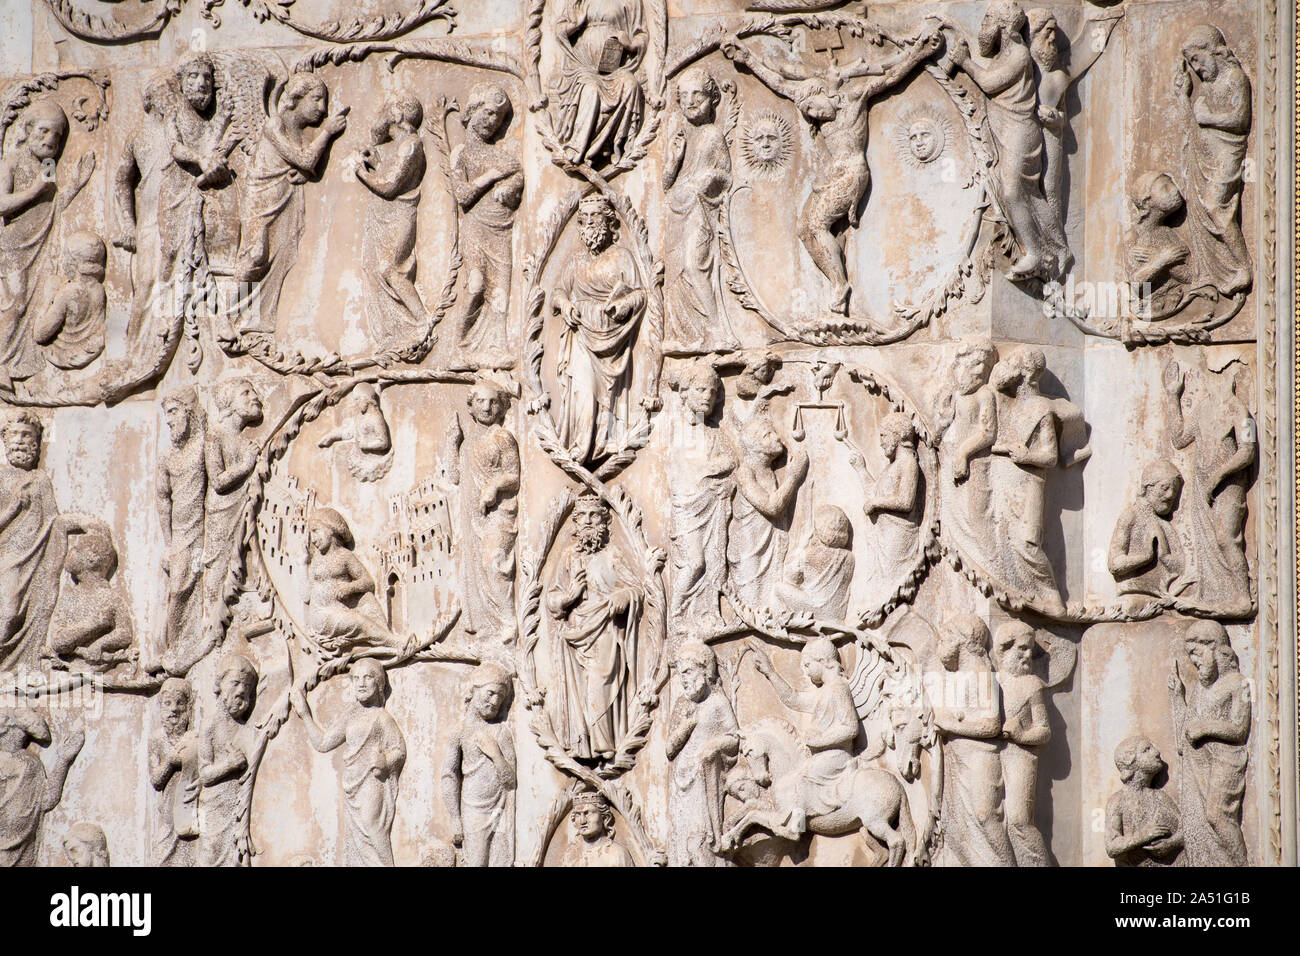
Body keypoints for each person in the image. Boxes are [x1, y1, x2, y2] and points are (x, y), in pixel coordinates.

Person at [723, 25, 944, 313]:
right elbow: (778, 82)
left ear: (823, 93)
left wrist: (919, 52)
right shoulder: (815, 107)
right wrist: (748, 59)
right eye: (808, 113)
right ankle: (834, 277)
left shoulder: (854, 99)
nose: (813, 115)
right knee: (804, 229)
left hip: (851, 173)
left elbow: (890, 76)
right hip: (829, 177)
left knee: (816, 225)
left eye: (813, 107)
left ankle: (840, 285)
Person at [944, 2, 1069, 279]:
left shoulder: (1019, 54)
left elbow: (989, 83)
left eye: (988, 20)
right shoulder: (1005, 54)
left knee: (1013, 192)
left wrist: (965, 61)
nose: (984, 27)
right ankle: (1053, 249)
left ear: (1003, 26)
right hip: (1005, 133)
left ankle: (1035, 253)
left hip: (1020, 134)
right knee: (1026, 195)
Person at [234, 73, 348, 333]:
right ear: (297, 98)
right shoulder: (275, 126)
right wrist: (327, 134)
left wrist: (305, 172)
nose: (323, 108)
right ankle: (228, 316)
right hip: (262, 199)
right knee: (255, 256)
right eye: (317, 99)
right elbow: (306, 159)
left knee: (283, 255)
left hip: (286, 197)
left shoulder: (297, 131)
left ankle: (260, 320)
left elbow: (302, 165)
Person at [0, 100, 93, 385]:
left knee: (36, 303)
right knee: (14, 304)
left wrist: (76, 183)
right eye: (43, 131)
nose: (49, 140)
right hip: (16, 246)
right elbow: (2, 204)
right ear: (28, 130)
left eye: (57, 136)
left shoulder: (48, 167)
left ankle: (21, 363)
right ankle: (2, 361)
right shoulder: (13, 161)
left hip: (42, 242)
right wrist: (34, 190)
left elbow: (53, 205)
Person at [545, 493, 644, 759]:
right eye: (583, 517)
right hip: (576, 632)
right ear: (575, 523)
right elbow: (552, 598)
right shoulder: (567, 558)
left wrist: (623, 596)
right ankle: (584, 745)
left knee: (600, 683)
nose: (588, 521)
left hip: (605, 631)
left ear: (603, 521)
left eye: (594, 515)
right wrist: (570, 596)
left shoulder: (612, 555)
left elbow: (634, 588)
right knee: (580, 689)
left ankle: (605, 742)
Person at [551, 193, 646, 466]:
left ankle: (604, 442)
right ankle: (580, 447)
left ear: (608, 223)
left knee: (607, 397)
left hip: (611, 340)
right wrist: (566, 304)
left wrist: (624, 305)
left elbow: (640, 294)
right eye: (586, 220)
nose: (591, 225)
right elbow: (557, 292)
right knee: (584, 389)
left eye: (597, 218)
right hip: (581, 333)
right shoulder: (575, 261)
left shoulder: (622, 257)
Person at [291, 658, 407, 866]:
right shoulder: (350, 716)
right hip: (352, 784)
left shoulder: (382, 717)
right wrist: (305, 714)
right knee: (356, 839)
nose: (361, 683)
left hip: (372, 781)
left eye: (368, 678)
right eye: (356, 678)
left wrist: (385, 761)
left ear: (379, 683)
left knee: (372, 828)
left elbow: (399, 750)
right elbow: (324, 743)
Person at [931, 612, 1016, 866]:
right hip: (958, 759)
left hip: (980, 759)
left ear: (962, 639)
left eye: (945, 638)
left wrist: (951, 725)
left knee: (984, 816)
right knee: (955, 823)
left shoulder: (982, 672)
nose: (940, 645)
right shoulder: (958, 677)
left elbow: (991, 725)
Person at [662, 68, 738, 351]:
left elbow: (726, 176)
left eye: (698, 95)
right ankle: (687, 335)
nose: (691, 101)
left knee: (695, 267)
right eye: (684, 96)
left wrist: (706, 181)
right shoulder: (680, 136)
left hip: (699, 209)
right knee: (677, 275)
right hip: (676, 212)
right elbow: (666, 182)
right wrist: (674, 159)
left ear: (712, 99)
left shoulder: (712, 135)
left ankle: (718, 329)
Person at [1176, 25, 1252, 295]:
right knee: (1204, 206)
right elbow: (1195, 125)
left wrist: (1207, 117)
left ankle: (1243, 267)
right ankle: (1215, 270)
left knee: (1215, 205)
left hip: (1228, 153)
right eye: (1190, 62)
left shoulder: (1234, 77)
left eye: (1197, 58)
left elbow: (1240, 119)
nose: (1196, 67)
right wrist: (1184, 96)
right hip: (1208, 157)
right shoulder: (1207, 87)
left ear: (1214, 50)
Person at [449, 84, 523, 363]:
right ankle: (460, 346)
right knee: (477, 284)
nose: (493, 122)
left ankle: (496, 347)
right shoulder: (462, 153)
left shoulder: (501, 155)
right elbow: (463, 194)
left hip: (501, 227)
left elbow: (516, 175)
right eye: (489, 113)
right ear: (473, 111)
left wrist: (510, 188)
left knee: (501, 291)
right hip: (477, 226)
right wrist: (492, 177)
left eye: (499, 118)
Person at [1168, 620, 1250, 866]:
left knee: (1216, 815)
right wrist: (1177, 698)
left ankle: (1240, 863)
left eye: (1197, 652)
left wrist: (1206, 727)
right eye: (1190, 654)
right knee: (1198, 822)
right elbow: (1183, 741)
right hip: (1197, 766)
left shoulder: (1238, 683)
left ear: (1214, 647)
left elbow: (1239, 728)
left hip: (1225, 760)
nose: (1194, 660)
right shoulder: (1198, 691)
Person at [444, 381, 519, 644]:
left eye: (493, 402)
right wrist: (452, 443)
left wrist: (495, 486)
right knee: (475, 570)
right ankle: (488, 628)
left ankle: (509, 621)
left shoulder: (502, 437)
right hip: (472, 515)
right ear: (471, 407)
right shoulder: (467, 444)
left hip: (498, 513)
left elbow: (514, 475)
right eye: (480, 402)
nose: (486, 407)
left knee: (494, 563)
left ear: (501, 407)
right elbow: (453, 476)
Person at [668, 362, 734, 631]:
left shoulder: (714, 433)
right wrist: (715, 468)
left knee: (716, 561)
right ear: (685, 392)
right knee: (695, 562)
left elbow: (732, 462)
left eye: (712, 391)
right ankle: (676, 614)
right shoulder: (678, 429)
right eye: (701, 389)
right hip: (688, 507)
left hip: (713, 506)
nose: (708, 396)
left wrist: (726, 483)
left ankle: (710, 614)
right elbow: (685, 470)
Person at [357, 96, 427, 344]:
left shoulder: (411, 144)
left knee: (392, 270)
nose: (382, 114)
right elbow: (391, 175)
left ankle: (421, 323)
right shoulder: (403, 146)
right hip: (384, 217)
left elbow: (389, 186)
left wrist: (362, 174)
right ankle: (395, 333)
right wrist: (375, 164)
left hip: (398, 217)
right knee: (378, 270)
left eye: (386, 108)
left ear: (397, 115)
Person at [0, 410, 67, 670]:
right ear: (5, 441)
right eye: (14, 434)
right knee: (6, 615)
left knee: (13, 613)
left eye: (26, 435)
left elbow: (53, 521)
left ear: (36, 443)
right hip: (6, 558)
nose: (19, 440)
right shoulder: (2, 479)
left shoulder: (40, 480)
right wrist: (13, 509)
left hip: (34, 559)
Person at [665, 640, 739, 866]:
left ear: (705, 670)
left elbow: (735, 738)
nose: (683, 679)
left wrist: (715, 745)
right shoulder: (681, 705)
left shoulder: (717, 702)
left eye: (688, 671)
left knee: (702, 841)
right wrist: (688, 724)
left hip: (705, 782)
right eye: (680, 674)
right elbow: (669, 749)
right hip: (681, 784)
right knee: (683, 842)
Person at [553, 0, 647, 167]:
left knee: (630, 85)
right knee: (591, 89)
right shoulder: (577, 2)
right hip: (583, 66)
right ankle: (578, 149)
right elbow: (559, 30)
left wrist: (631, 44)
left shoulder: (631, 2)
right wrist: (575, 25)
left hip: (615, 67)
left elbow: (642, 34)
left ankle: (612, 144)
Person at [304, 507, 409, 655]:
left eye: (315, 531)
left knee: (368, 599)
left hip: (340, 609)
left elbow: (368, 582)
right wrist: (302, 564)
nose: (313, 539)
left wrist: (349, 588)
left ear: (331, 529)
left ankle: (385, 637)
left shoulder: (345, 556)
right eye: (310, 533)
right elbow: (306, 596)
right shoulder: (316, 560)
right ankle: (394, 642)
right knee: (359, 622)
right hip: (322, 616)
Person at [728, 412, 807, 608]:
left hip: (769, 543)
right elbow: (772, 506)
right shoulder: (745, 473)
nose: (777, 437)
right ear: (754, 446)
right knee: (752, 600)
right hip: (749, 548)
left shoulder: (768, 471)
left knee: (767, 600)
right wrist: (794, 477)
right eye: (768, 435)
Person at [441, 662, 516, 867]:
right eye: (490, 693)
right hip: (473, 809)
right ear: (474, 690)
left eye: (500, 698)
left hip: (500, 808)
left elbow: (510, 782)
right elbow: (449, 775)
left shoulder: (502, 733)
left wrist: (495, 754)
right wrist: (455, 818)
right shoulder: (459, 732)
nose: (494, 702)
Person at [994, 621, 1052, 866]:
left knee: (1019, 819)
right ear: (1003, 649)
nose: (1028, 655)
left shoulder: (1032, 685)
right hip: (992, 755)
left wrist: (1021, 735)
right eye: (1022, 649)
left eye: (1030, 650)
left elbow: (1044, 730)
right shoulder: (991, 681)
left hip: (1021, 756)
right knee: (992, 820)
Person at [198, 654, 261, 867]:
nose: (241, 691)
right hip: (215, 806)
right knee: (211, 856)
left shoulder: (247, 728)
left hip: (239, 805)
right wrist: (229, 764)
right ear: (220, 684)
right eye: (235, 683)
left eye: (247, 687)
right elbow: (204, 773)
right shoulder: (210, 725)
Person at [0, 708, 83, 866]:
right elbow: (48, 799)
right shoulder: (29, 764)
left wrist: (63, 761)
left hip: (18, 850)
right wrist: (63, 761)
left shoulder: (28, 765)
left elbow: (46, 800)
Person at [1108, 460, 1186, 599]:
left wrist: (1164, 557)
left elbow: (1180, 566)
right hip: (1132, 594)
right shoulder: (1130, 516)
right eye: (1165, 487)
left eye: (1175, 489)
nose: (1170, 495)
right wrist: (1145, 557)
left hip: (1164, 596)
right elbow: (1114, 564)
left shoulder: (1165, 526)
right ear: (1148, 487)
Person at [1105, 735, 1183, 867]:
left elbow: (1185, 829)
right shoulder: (1118, 800)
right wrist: (1144, 835)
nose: (1156, 752)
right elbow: (1112, 846)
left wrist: (1171, 844)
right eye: (1146, 750)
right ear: (1130, 761)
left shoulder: (1160, 797)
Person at [33, 231, 107, 370]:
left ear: (73, 261)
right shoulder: (98, 290)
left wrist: (48, 296)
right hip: (85, 352)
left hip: (63, 354)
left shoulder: (67, 293)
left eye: (66, 256)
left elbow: (40, 335)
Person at [149, 677, 200, 866]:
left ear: (188, 707)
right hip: (168, 810)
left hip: (191, 802)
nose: (174, 709)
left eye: (180, 702)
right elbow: (155, 779)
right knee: (163, 855)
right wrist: (170, 761)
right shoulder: (158, 739)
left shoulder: (193, 737)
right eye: (168, 703)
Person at [776, 505, 855, 621]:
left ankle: (779, 621)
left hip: (815, 608)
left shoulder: (808, 554)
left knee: (777, 588)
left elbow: (790, 578)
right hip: (837, 613)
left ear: (819, 529)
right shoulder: (849, 558)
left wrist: (801, 547)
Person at [565, 790, 635, 866]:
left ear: (605, 818)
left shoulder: (617, 854)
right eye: (578, 815)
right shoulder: (570, 856)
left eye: (588, 813)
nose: (582, 821)